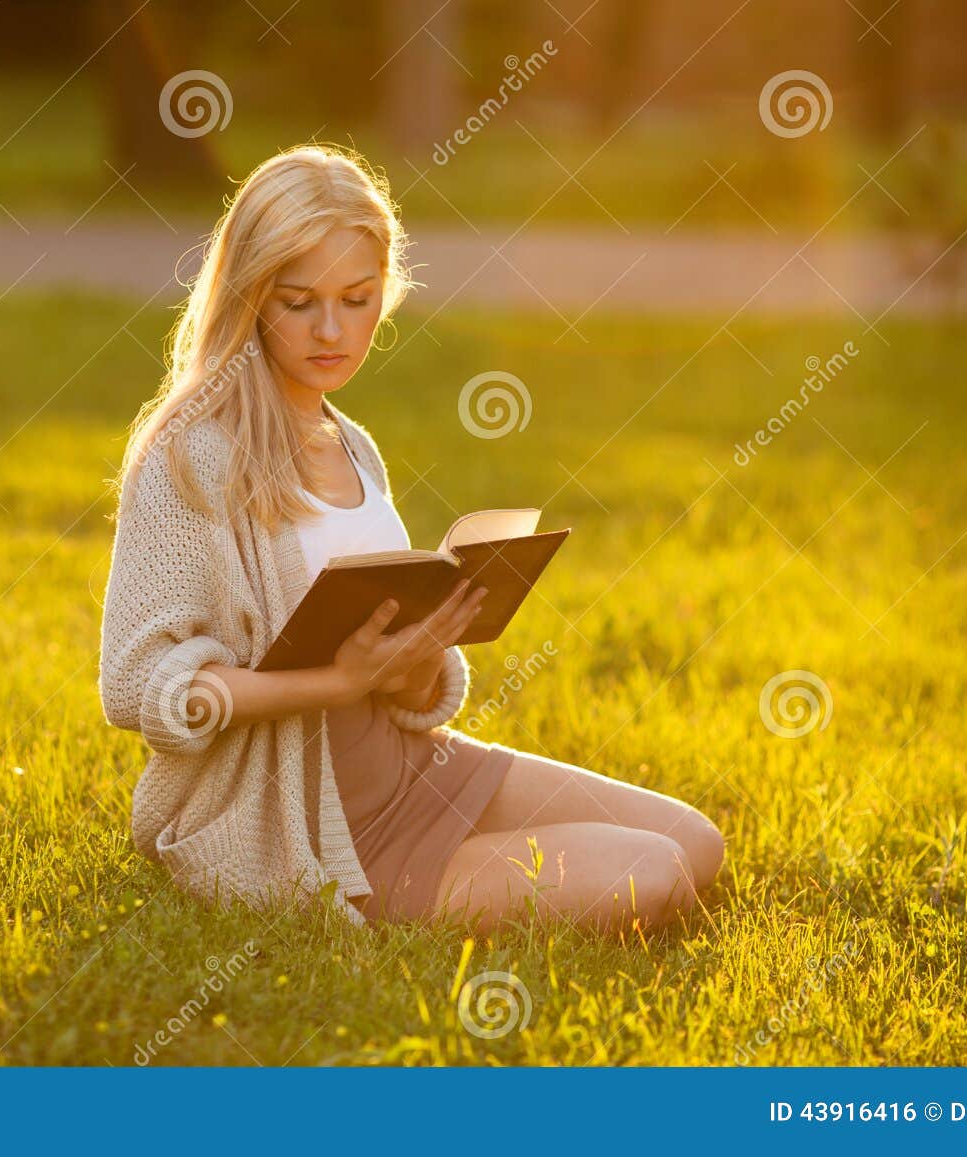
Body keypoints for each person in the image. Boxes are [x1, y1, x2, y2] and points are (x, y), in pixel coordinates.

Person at [98, 144, 723, 934]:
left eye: (357, 299)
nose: (332, 329)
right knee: (654, 874)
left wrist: (422, 659)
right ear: (250, 296)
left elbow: (402, 682)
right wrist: (336, 682)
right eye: (299, 302)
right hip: (314, 826)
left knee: (697, 842)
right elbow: (137, 684)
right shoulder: (189, 456)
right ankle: (405, 886)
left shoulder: (351, 442)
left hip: (415, 768)